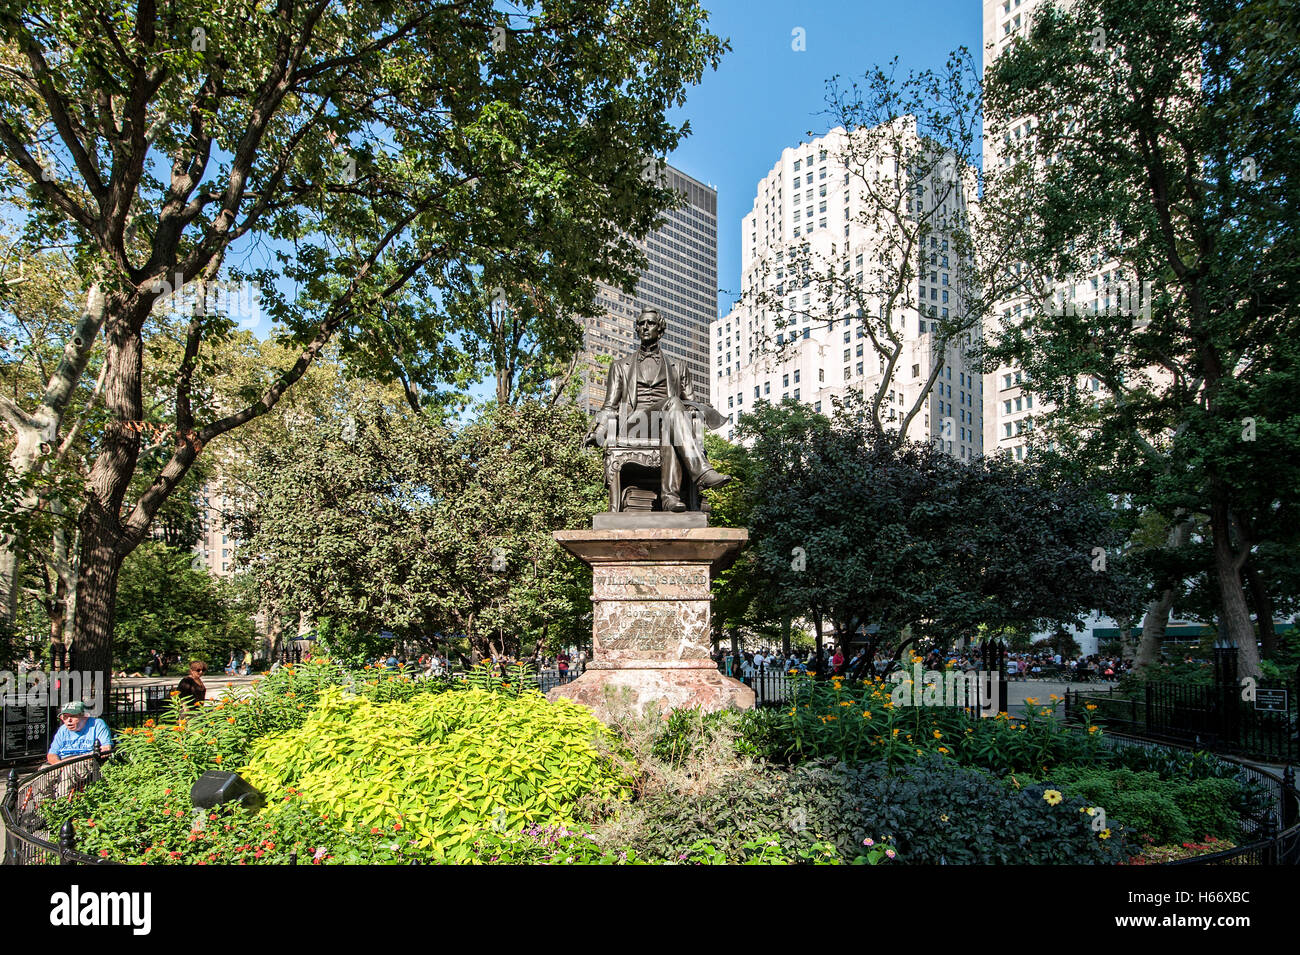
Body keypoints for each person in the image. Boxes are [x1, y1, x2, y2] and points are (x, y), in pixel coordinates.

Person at [583, 308, 730, 512]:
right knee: (673, 404)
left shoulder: (678, 367)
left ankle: (670, 498)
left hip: (668, 423)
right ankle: (702, 471)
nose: (644, 327)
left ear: (660, 330)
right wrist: (599, 431)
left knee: (674, 415)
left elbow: (692, 404)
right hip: (635, 424)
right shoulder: (619, 366)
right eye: (641, 323)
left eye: (650, 323)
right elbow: (609, 406)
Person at [47, 701, 113, 764]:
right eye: (65, 717)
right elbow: (52, 754)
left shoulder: (97, 724)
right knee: (44, 771)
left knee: (70, 771)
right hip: (62, 762)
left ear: (85, 716)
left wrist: (71, 763)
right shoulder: (63, 729)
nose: (69, 720)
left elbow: (106, 749)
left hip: (87, 761)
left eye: (73, 716)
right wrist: (60, 765)